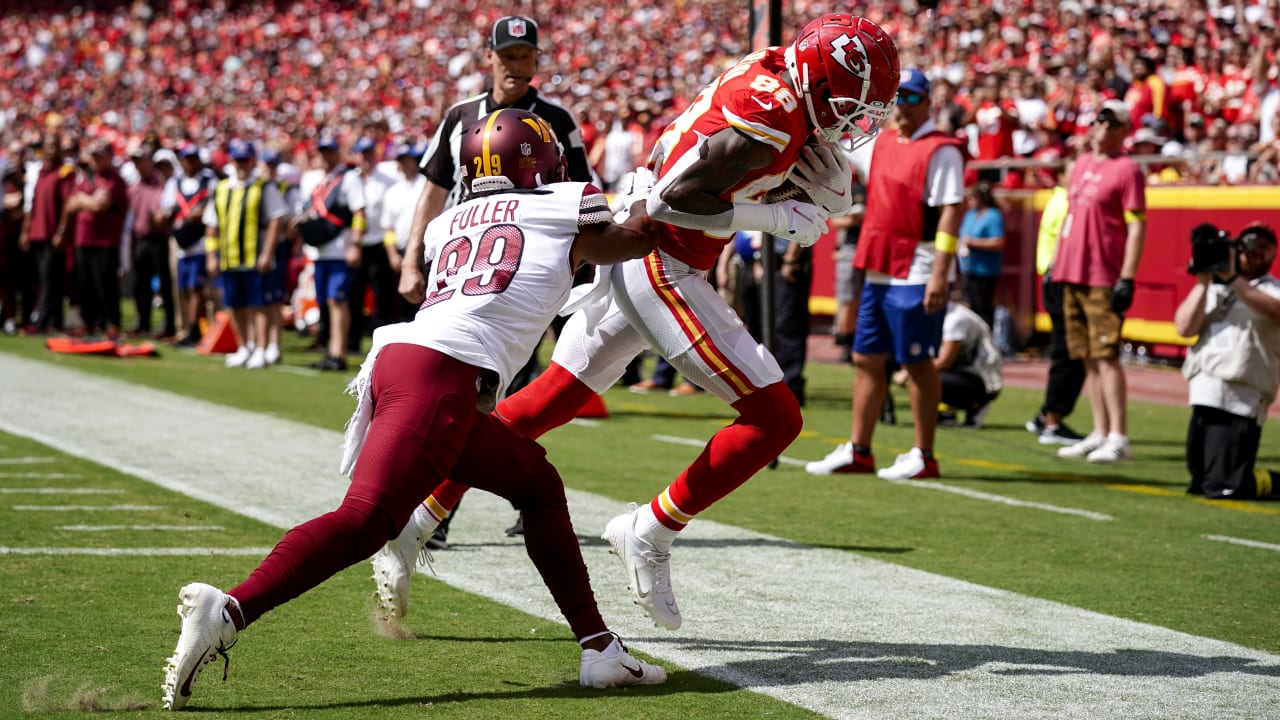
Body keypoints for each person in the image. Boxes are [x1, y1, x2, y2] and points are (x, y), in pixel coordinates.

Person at [380, 13, 900, 629]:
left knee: (539, 406)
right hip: (663, 260)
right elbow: (675, 199)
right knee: (776, 417)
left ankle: (414, 523)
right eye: (848, 103)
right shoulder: (771, 119)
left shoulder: (775, 74)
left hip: (654, 250)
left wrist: (793, 180)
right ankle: (649, 529)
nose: (854, 119)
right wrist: (776, 219)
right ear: (816, 80)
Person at [161, 108, 665, 711]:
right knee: (367, 519)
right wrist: (644, 195)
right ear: (533, 162)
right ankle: (231, 610)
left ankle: (599, 648)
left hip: (408, 359)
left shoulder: (448, 222)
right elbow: (634, 242)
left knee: (535, 481)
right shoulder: (563, 201)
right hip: (440, 371)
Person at [398, 14, 594, 546]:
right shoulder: (460, 117)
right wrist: (411, 258)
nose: (515, 65)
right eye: (506, 56)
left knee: (519, 390)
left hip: (528, 270)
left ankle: (515, 491)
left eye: (524, 56)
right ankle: (442, 510)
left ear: (536, 61)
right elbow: (434, 191)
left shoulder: (556, 119)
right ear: (489, 58)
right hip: (464, 266)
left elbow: (583, 192)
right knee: (455, 386)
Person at [806, 67, 966, 481]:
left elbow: (950, 211)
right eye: (900, 98)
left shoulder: (942, 149)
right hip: (878, 267)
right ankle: (860, 449)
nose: (905, 106)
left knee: (915, 361)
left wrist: (940, 275)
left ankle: (924, 454)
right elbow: (834, 140)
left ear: (928, 101)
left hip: (918, 267)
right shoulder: (882, 141)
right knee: (865, 357)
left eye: (913, 98)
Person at [1053, 99, 1147, 464]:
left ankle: (1119, 435)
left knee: (1106, 356)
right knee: (1087, 357)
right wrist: (1056, 265)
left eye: (1111, 122)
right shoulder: (1080, 165)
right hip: (1072, 271)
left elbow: (1137, 224)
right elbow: (1071, 217)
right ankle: (1099, 430)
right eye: (1099, 120)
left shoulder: (1127, 170)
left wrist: (1127, 275)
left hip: (1102, 274)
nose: (1102, 127)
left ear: (1124, 131)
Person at [1174, 224, 1280, 499]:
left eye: (1266, 247)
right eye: (1251, 245)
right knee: (1200, 478)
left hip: (1242, 396)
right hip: (1205, 390)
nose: (1258, 252)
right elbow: (1184, 328)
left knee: (1224, 485)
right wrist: (1202, 281)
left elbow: (1274, 310)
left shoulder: (1271, 289)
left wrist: (1233, 278)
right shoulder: (1213, 288)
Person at [204, 139, 287, 370]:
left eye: (246, 160)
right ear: (232, 161)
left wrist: (268, 253)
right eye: (238, 160)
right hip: (230, 256)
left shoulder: (263, 187)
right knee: (234, 304)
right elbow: (212, 224)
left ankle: (261, 348)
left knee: (258, 304)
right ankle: (244, 346)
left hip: (254, 255)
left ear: (252, 161)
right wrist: (211, 255)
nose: (242, 165)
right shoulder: (222, 188)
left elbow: (276, 218)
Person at [1025, 160, 1087, 445]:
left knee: (1068, 350)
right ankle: (1053, 419)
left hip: (1053, 279)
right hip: (1061, 280)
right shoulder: (1067, 204)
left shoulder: (1057, 200)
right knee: (1069, 351)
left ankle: (1046, 416)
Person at [296, 135, 365, 371]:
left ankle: (339, 352)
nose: (326, 157)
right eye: (322, 152)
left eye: (330, 152)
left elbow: (359, 212)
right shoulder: (321, 181)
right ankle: (332, 350)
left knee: (337, 299)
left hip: (340, 250)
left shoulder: (349, 178)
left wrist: (355, 244)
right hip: (322, 252)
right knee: (327, 301)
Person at [899, 301, 1002, 428]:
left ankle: (976, 404)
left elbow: (944, 362)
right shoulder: (933, 316)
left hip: (984, 380)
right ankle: (946, 413)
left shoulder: (955, 319)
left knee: (925, 377)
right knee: (921, 372)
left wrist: (908, 371)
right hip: (962, 371)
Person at [63, 141, 129, 338]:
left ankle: (113, 323)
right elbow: (70, 204)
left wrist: (83, 200)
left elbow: (100, 204)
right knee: (85, 284)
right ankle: (89, 323)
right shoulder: (85, 178)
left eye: (100, 156)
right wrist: (85, 200)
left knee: (106, 284)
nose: (96, 160)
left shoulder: (114, 179)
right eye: (94, 156)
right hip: (83, 240)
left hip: (105, 241)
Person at [18, 133, 76, 334]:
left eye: (54, 146)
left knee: (49, 279)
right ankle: (55, 321)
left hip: (53, 234)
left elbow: (68, 205)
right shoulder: (41, 172)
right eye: (48, 146)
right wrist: (26, 231)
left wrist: (61, 231)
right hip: (38, 233)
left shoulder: (64, 172)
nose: (51, 150)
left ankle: (42, 322)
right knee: (46, 279)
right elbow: (31, 205)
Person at [346, 136, 398, 354]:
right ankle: (352, 342)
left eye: (369, 153)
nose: (366, 158)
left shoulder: (386, 179)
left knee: (382, 296)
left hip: (377, 243)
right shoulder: (352, 178)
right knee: (353, 296)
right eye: (362, 153)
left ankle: (383, 344)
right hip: (358, 244)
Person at [163, 143, 218, 347]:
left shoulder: (208, 179)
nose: (190, 162)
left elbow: (214, 204)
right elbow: (167, 207)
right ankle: (186, 326)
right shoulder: (175, 182)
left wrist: (199, 214)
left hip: (201, 239)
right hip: (181, 239)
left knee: (197, 287)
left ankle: (196, 327)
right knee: (183, 286)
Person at [125, 147, 177, 339]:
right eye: (136, 161)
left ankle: (169, 325)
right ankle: (143, 322)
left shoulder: (162, 184)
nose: (139, 165)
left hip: (159, 238)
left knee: (165, 284)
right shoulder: (134, 186)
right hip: (140, 239)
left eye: (141, 161)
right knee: (141, 284)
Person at [957, 180, 1004, 329]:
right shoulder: (970, 215)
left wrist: (973, 242)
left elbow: (998, 242)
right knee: (969, 306)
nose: (970, 202)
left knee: (983, 307)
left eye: (973, 198)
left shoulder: (993, 216)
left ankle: (985, 339)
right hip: (968, 269)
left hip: (985, 271)